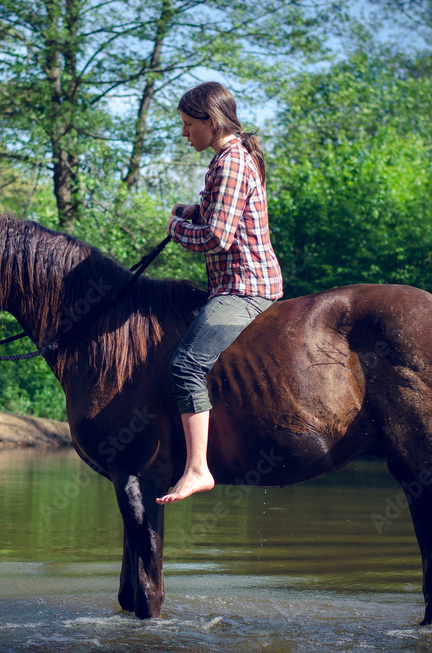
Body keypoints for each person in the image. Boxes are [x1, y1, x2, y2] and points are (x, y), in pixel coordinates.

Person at [156, 82, 283, 505]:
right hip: (235, 283)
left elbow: (216, 237)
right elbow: (226, 212)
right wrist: (192, 210)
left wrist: (176, 228)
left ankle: (198, 470)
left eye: (189, 125)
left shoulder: (231, 163)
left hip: (244, 288)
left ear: (212, 122)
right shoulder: (230, 158)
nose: (184, 133)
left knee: (186, 365)